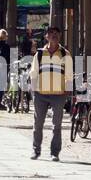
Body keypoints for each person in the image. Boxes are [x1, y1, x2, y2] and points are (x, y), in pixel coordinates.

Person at [31, 26, 74, 161]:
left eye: (56, 33)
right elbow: (33, 73)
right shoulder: (39, 54)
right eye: (51, 33)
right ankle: (36, 150)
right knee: (38, 123)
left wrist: (67, 91)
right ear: (46, 37)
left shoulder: (65, 54)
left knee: (57, 124)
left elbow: (69, 74)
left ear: (60, 36)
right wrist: (33, 91)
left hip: (58, 94)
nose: (53, 35)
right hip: (40, 93)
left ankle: (54, 153)